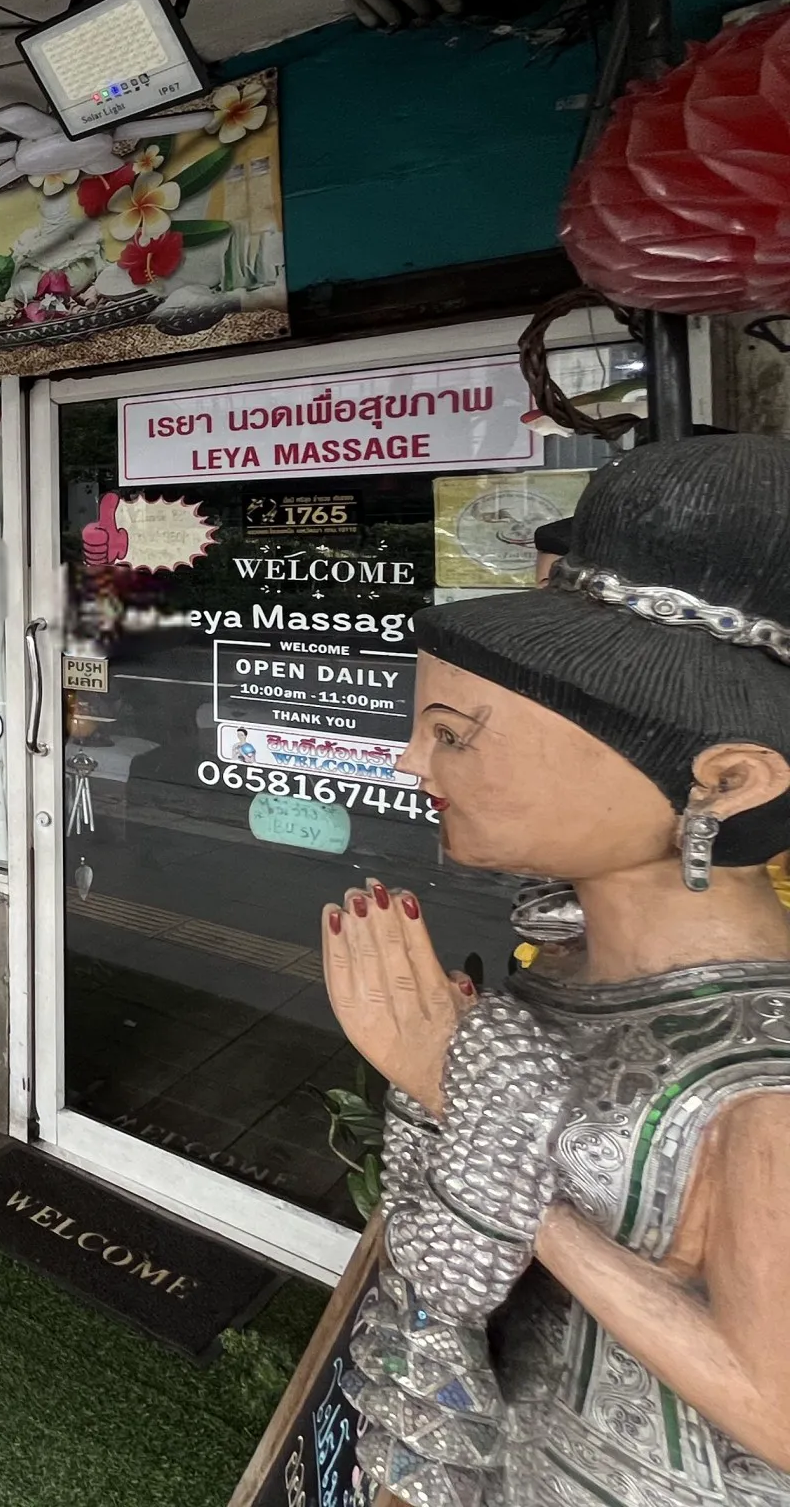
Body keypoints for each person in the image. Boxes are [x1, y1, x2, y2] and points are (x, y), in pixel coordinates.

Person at [322, 436, 790, 1506]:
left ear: (722, 781)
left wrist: (476, 1115)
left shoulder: (761, 1072)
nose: (411, 762)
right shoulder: (564, 971)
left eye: (455, 736)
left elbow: (774, 1407)